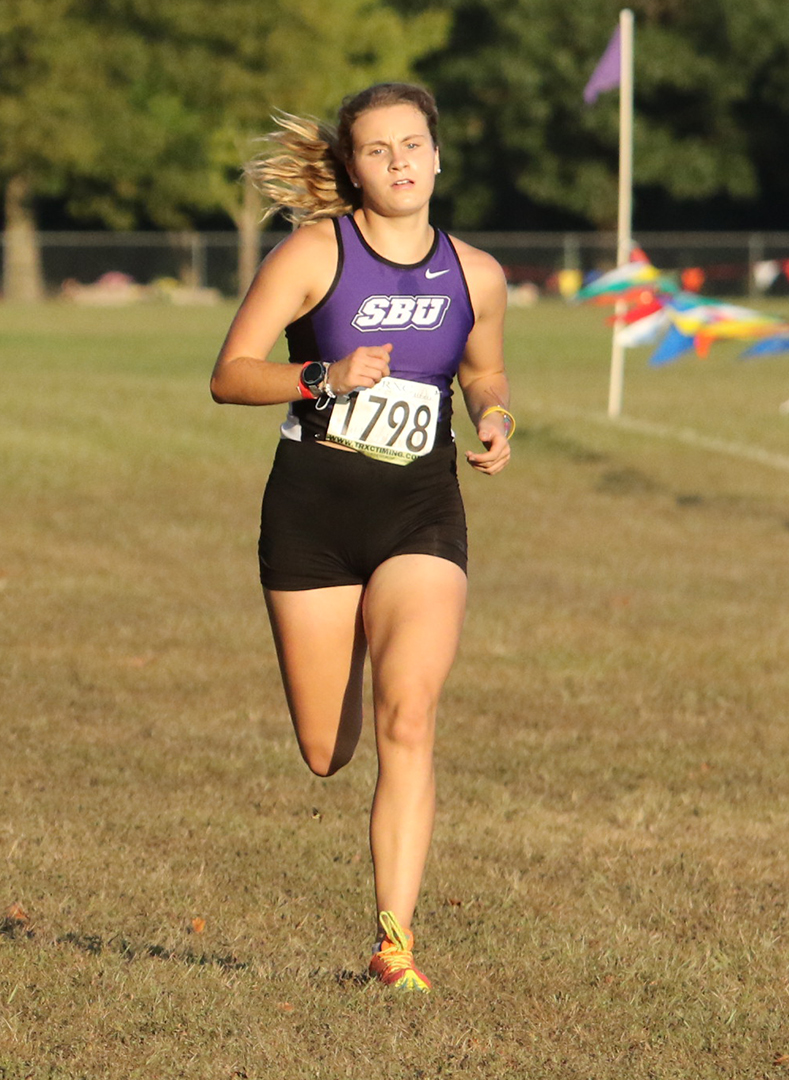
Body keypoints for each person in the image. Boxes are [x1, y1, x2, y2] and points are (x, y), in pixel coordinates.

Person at [208, 83, 513, 992]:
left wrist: (495, 417)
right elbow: (230, 375)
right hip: (313, 516)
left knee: (409, 716)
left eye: (412, 144)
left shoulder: (477, 274)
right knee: (326, 751)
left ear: (437, 155)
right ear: (351, 166)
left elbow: (485, 371)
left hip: (421, 511)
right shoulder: (315, 253)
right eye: (377, 149)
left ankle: (394, 943)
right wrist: (322, 375)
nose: (399, 162)